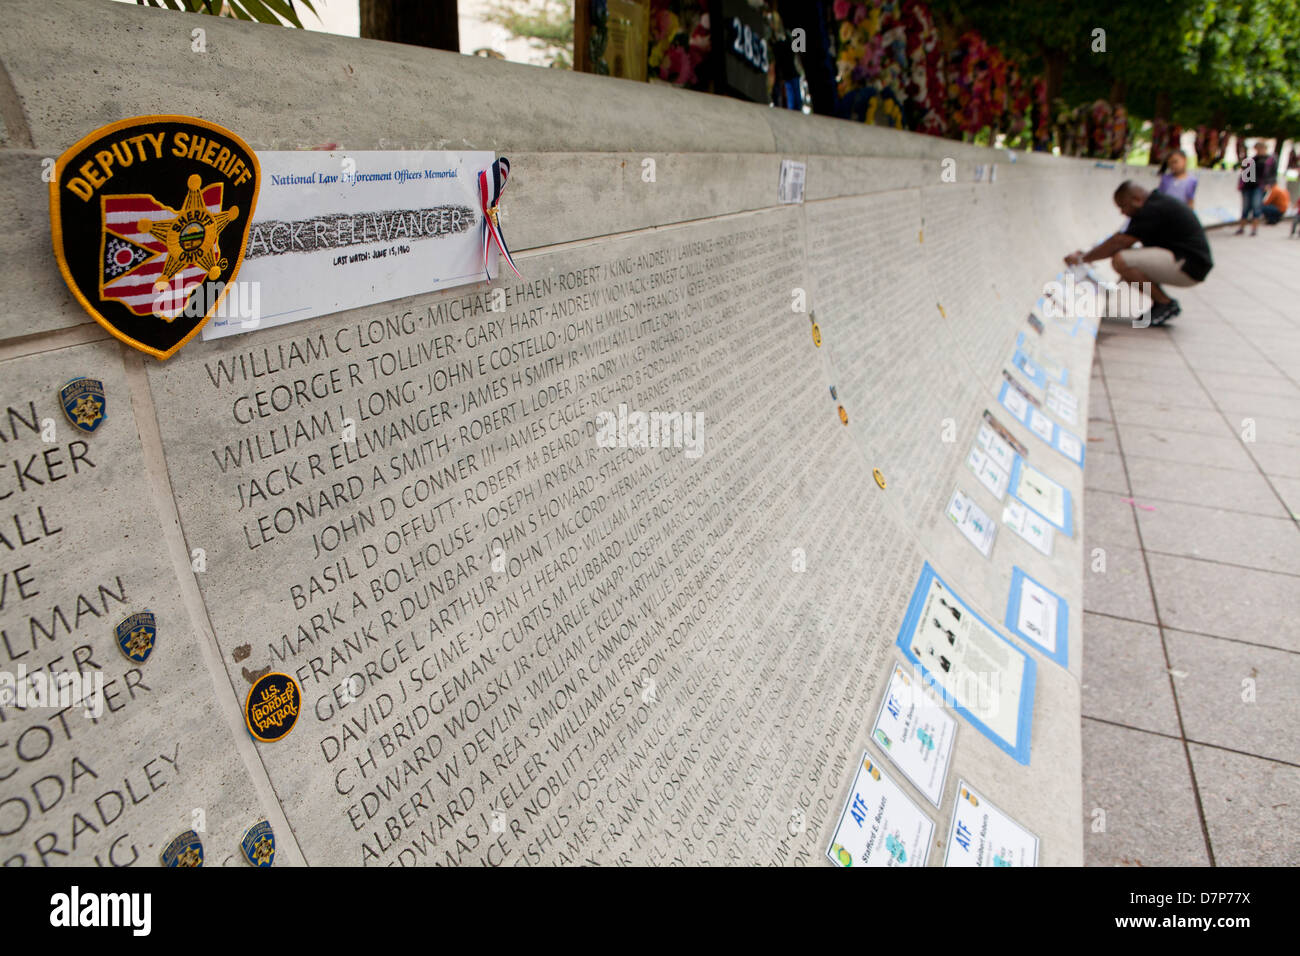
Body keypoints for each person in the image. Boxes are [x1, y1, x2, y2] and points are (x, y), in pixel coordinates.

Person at [1064, 181, 1213, 326]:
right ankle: (1160, 302)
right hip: (1188, 262)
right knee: (1127, 259)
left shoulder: (1152, 210)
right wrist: (1088, 253)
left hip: (1189, 266)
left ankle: (1164, 303)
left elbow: (1118, 243)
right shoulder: (1154, 204)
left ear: (1136, 199)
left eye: (1123, 206)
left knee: (1122, 260)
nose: (1122, 212)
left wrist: (1082, 259)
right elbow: (1118, 237)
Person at [1235, 140, 1278, 236]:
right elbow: (1245, 172)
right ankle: (1242, 227)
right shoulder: (1252, 159)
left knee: (1256, 207)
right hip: (1248, 186)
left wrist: (1269, 184)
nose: (1259, 151)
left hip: (1259, 186)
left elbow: (1273, 175)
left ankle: (1254, 229)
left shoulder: (1270, 160)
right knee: (1245, 207)